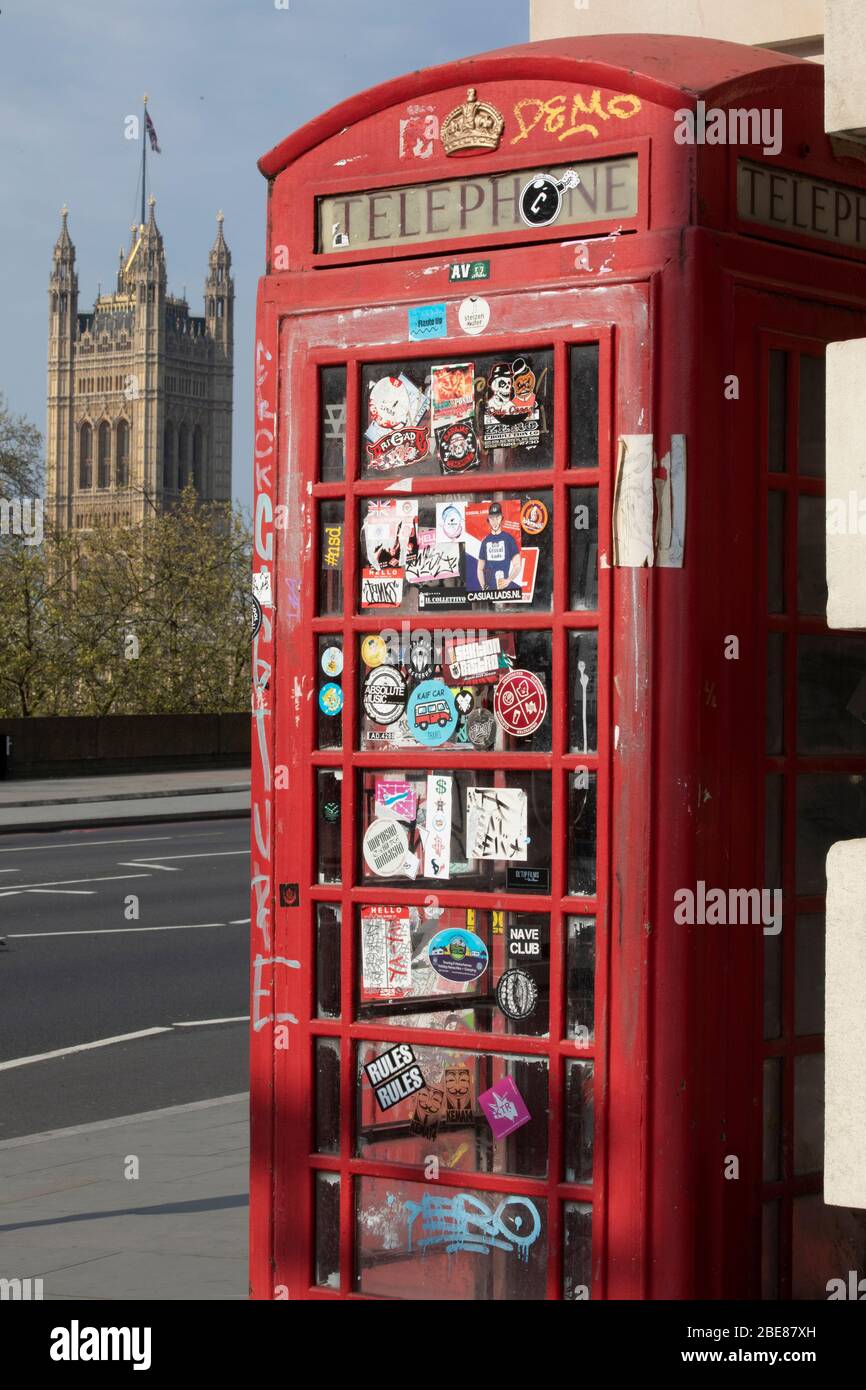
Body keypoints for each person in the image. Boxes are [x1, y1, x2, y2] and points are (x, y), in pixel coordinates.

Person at [476, 502, 521, 592]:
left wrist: (509, 580)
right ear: (488, 520)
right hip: (489, 591)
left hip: (505, 590)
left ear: (501, 518)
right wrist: (483, 587)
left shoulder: (508, 539)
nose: (495, 521)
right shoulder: (485, 541)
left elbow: (517, 565)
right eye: (492, 518)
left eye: (497, 517)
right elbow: (480, 568)